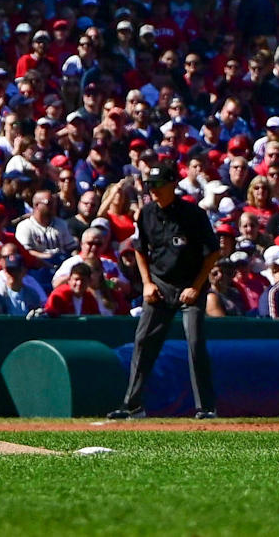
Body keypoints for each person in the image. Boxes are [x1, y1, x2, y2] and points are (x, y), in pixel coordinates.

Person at [103, 166, 222, 421]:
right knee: (144, 341)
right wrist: (146, 282)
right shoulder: (146, 214)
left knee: (195, 342)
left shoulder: (193, 214)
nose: (153, 190)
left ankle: (206, 407)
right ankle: (132, 405)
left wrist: (197, 286)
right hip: (160, 284)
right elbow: (139, 249)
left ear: (172, 184)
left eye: (158, 184)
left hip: (190, 284)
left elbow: (213, 252)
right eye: (150, 185)